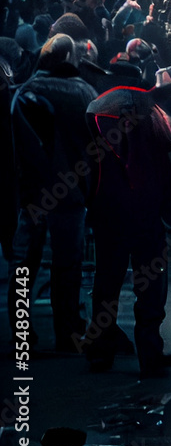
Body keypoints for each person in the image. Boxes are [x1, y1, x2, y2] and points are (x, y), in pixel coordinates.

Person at [81, 85, 171, 378]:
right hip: (146, 214)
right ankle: (150, 355)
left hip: (109, 215)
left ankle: (101, 351)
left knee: (107, 285)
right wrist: (169, 213)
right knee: (151, 287)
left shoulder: (97, 119)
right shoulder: (154, 119)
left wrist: (92, 205)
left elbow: (86, 172)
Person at [7, 34, 96, 351]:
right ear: (70, 58)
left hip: (31, 195)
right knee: (67, 266)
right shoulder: (85, 93)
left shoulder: (26, 91)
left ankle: (21, 334)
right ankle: (68, 332)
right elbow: (96, 149)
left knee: (23, 266)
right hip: (70, 197)